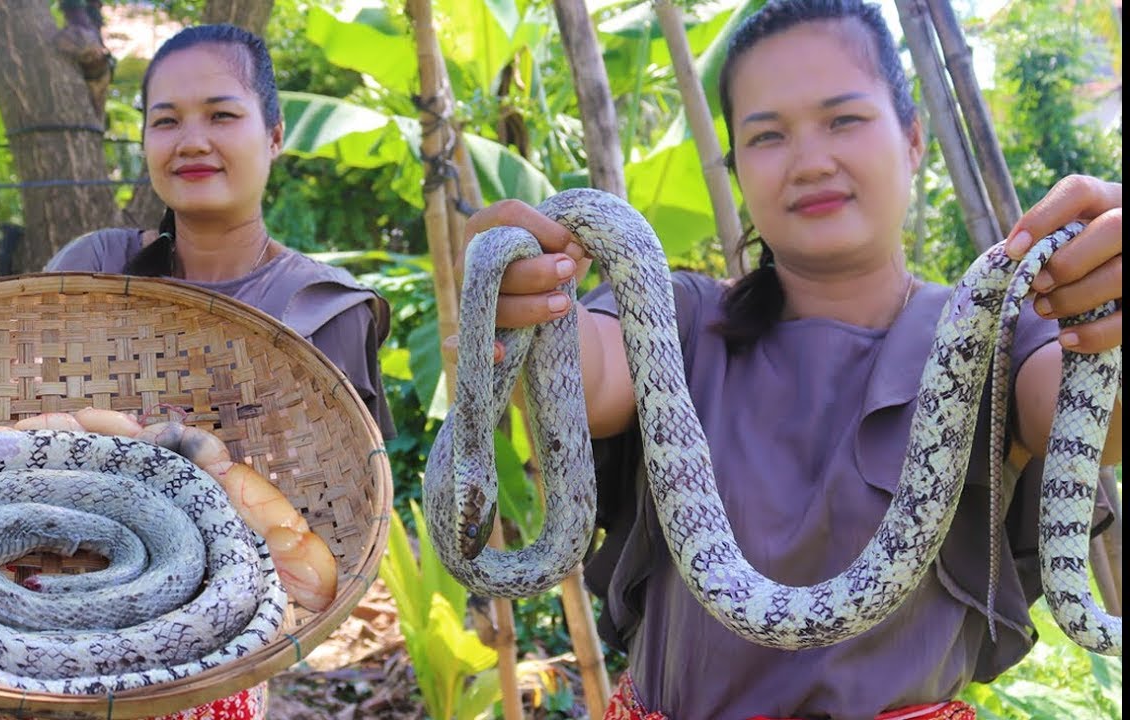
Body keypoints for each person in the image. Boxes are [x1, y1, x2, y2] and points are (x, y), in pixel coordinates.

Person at [448, 1, 1122, 718]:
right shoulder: (677, 314)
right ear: (737, 169)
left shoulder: (999, 328)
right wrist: (524, 297)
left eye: (844, 119)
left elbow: (1096, 413)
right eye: (767, 135)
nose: (811, 162)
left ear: (913, 137)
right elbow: (587, 372)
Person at [45, 23, 396, 720]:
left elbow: (335, 530)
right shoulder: (94, 269)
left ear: (274, 135)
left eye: (222, 115)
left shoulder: (323, 309)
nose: (192, 141)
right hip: (49, 624)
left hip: (210, 662)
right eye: (166, 121)